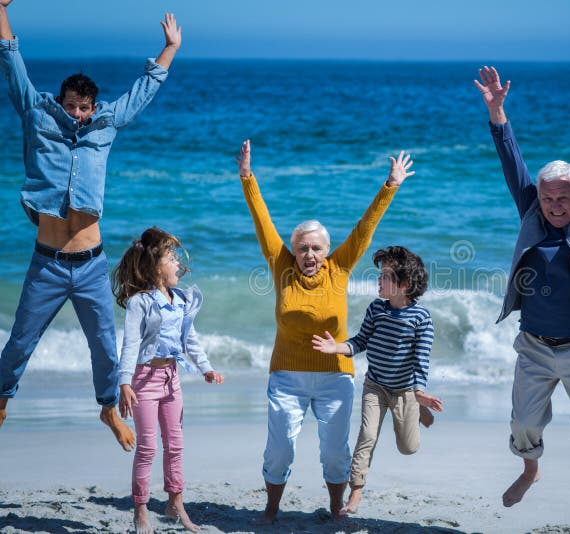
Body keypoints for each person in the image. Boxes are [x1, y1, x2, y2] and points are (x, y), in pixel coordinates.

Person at [0, 0, 182, 450]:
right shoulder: (38, 115)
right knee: (21, 339)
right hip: (47, 264)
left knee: (105, 344)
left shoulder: (106, 124)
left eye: (83, 108)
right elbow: (11, 61)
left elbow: (144, 89)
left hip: (91, 266)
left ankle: (107, 410)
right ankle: (1, 401)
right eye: (70, 107)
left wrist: (170, 48)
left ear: (92, 105)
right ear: (59, 102)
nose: (77, 115)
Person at [237, 139, 413, 521]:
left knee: (335, 451)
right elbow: (263, 222)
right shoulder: (281, 267)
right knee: (281, 446)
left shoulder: (340, 267)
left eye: (317, 248)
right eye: (303, 248)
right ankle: (271, 508)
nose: (310, 256)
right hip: (287, 376)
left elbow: (365, 229)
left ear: (327, 250)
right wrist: (247, 178)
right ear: (294, 250)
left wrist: (391, 184)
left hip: (335, 377)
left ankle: (336, 507)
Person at [474, 67, 570, 507]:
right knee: (523, 424)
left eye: (563, 198)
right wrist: (498, 114)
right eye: (547, 198)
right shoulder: (530, 214)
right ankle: (530, 471)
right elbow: (512, 164)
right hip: (535, 345)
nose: (555, 206)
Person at [312, 245, 444, 515]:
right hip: (375, 386)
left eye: (385, 276)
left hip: (406, 390)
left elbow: (421, 360)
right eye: (380, 275)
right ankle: (355, 493)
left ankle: (419, 411)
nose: (378, 280)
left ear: (404, 284)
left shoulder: (421, 319)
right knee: (367, 436)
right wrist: (336, 347)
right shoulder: (376, 309)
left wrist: (419, 393)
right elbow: (360, 341)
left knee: (408, 448)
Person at [113, 227, 224, 534]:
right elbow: (130, 346)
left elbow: (191, 340)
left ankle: (175, 503)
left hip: (172, 378)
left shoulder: (180, 300)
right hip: (144, 380)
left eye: (176, 257)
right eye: (171, 257)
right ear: (155, 266)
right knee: (147, 447)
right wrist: (124, 383)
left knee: (175, 444)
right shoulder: (140, 303)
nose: (178, 264)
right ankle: (141, 510)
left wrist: (206, 368)